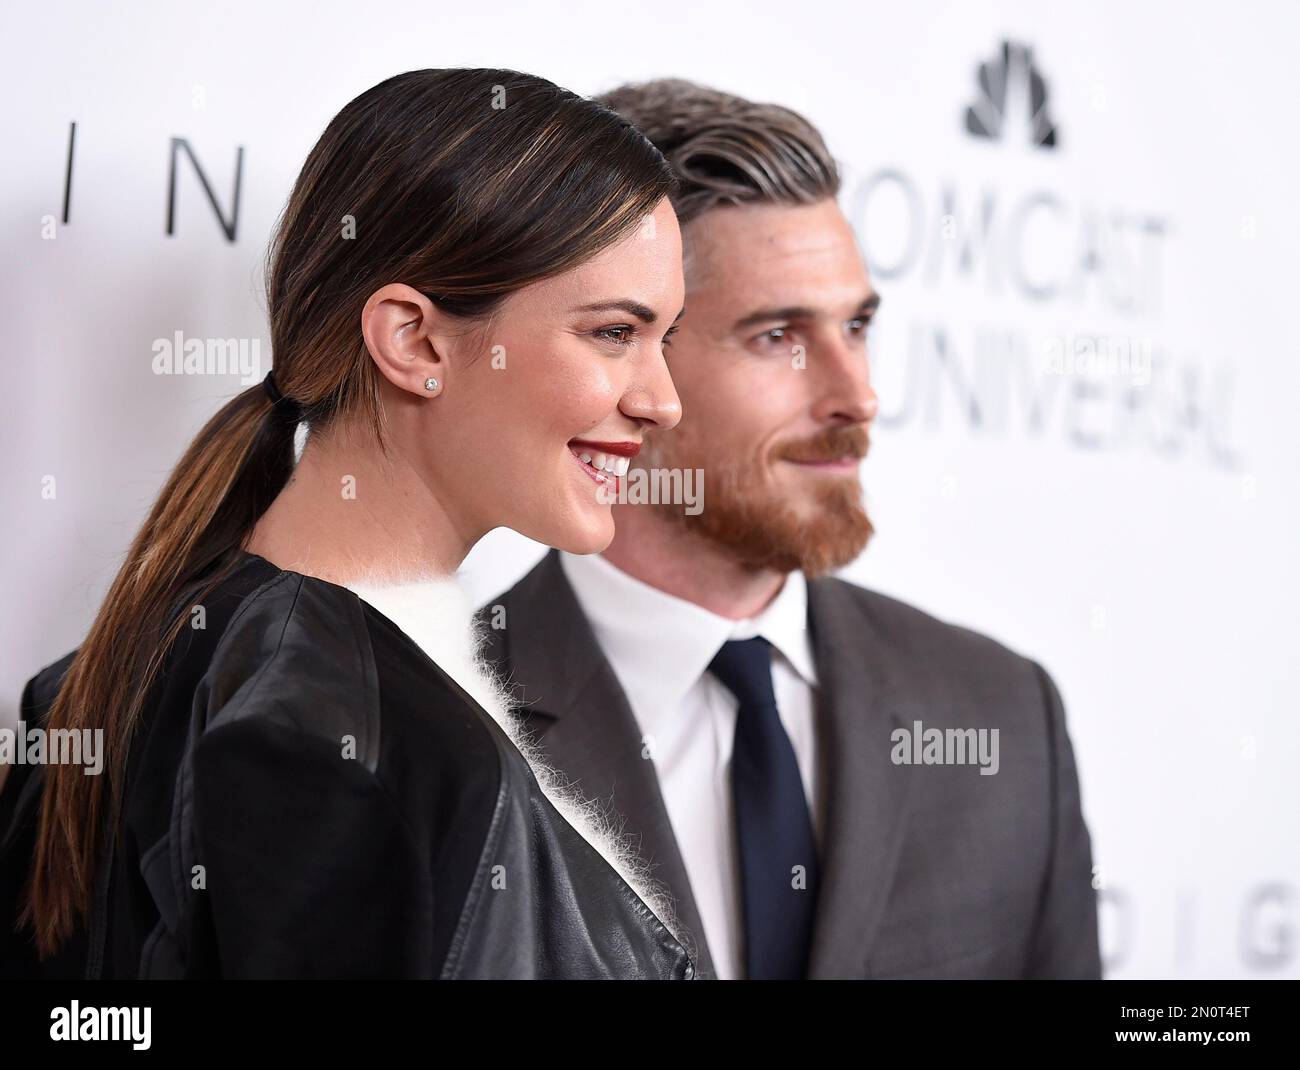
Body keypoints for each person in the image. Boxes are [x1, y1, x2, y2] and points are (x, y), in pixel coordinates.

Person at [0, 68, 695, 979]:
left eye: (665, 340)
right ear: (414, 340)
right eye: (613, 333)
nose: (663, 401)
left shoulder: (168, 667)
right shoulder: (326, 736)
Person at [478, 79, 1103, 980]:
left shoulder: (1001, 714)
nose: (857, 396)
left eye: (856, 326)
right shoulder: (445, 721)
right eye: (778, 336)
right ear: (620, 351)